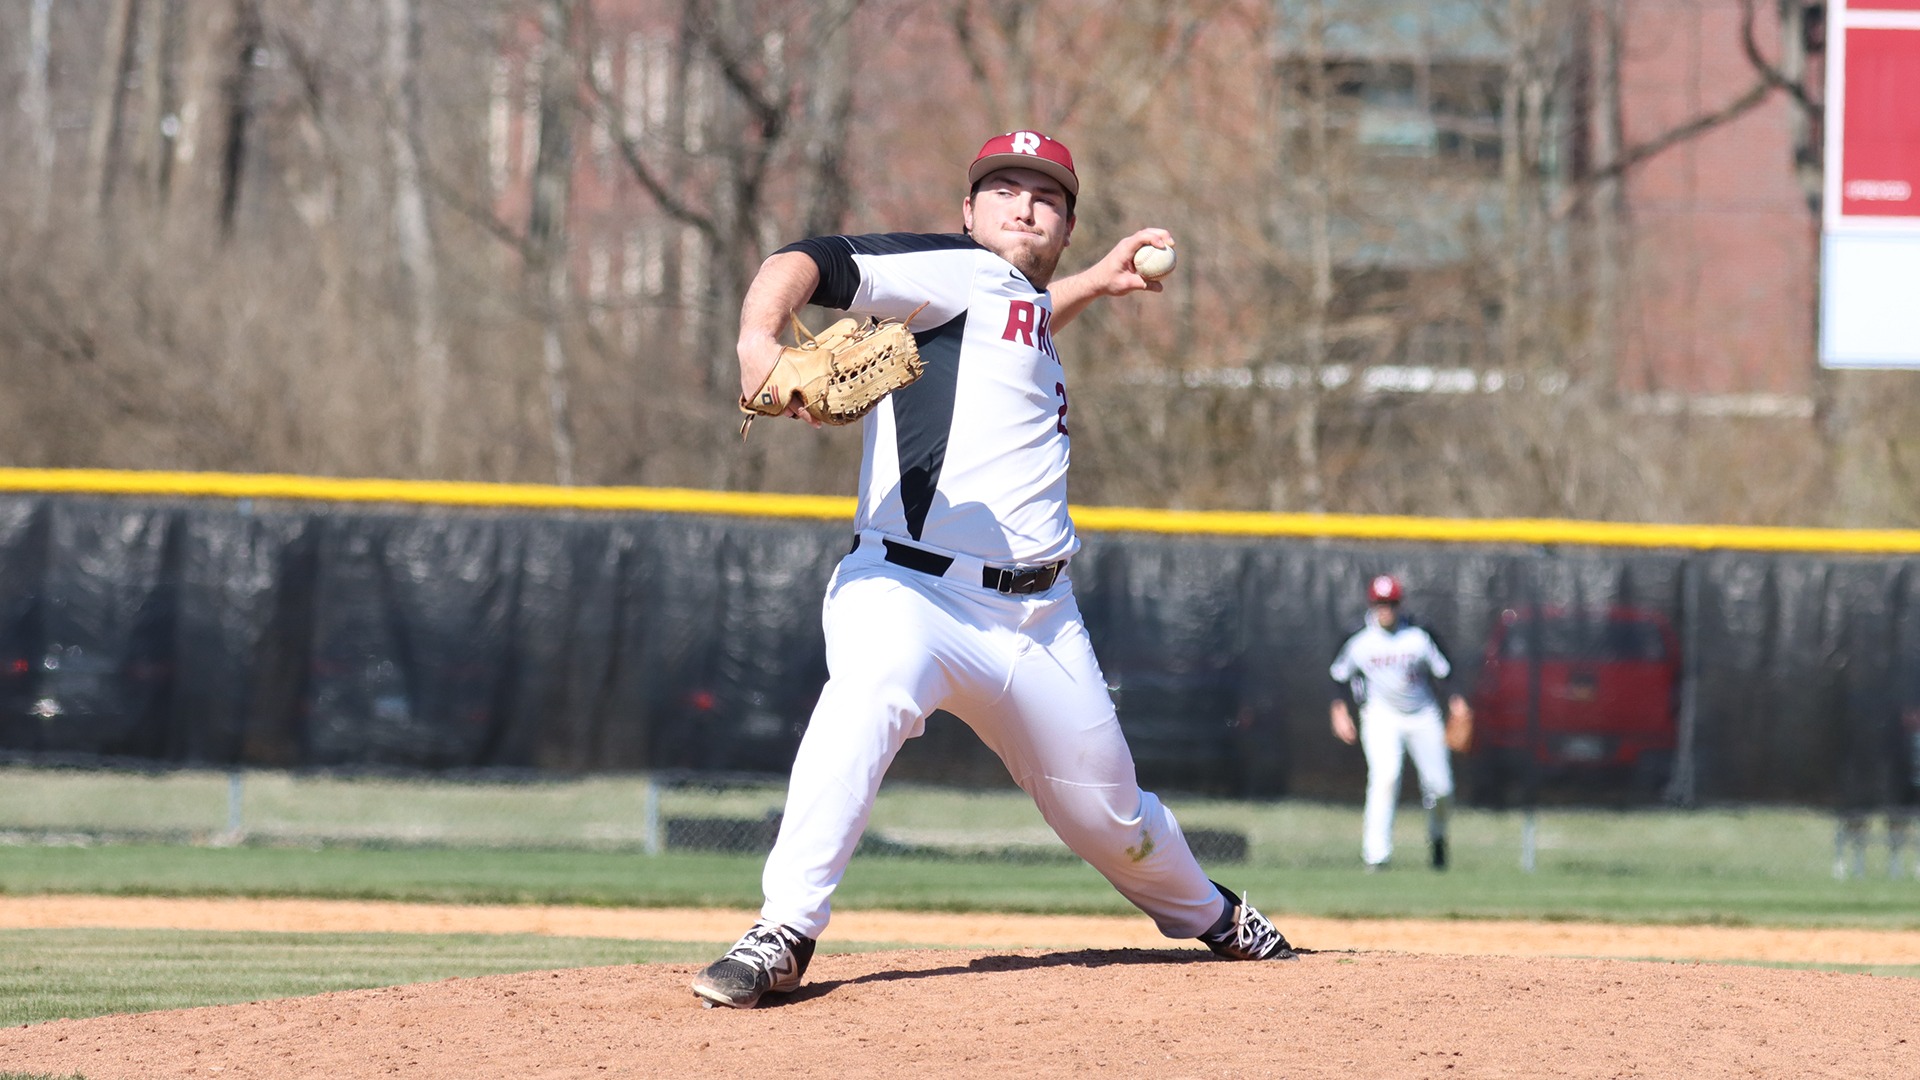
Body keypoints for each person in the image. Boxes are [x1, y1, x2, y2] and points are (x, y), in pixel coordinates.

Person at [691, 130, 1296, 1010]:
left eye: (1045, 196)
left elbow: (1025, 319)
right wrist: (756, 337)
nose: (1024, 204)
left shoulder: (1020, 303)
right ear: (967, 212)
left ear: (1067, 225)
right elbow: (806, 259)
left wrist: (1092, 285)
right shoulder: (951, 268)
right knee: (872, 690)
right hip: (911, 589)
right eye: (1004, 189)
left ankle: (1215, 915)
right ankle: (784, 929)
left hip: (1040, 619)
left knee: (1109, 818)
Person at [1329, 574, 1466, 872]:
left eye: (1390, 603)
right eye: (1380, 603)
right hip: (1380, 716)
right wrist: (1339, 711)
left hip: (1422, 714)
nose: (1385, 609)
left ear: (1399, 604)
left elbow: (1444, 672)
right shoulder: (1358, 637)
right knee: (1385, 778)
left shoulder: (1418, 634)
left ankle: (1438, 839)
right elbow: (1338, 676)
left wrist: (1457, 701)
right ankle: (1376, 856)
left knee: (1441, 788)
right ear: (1371, 604)